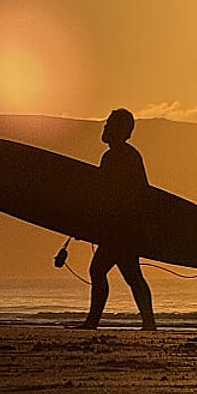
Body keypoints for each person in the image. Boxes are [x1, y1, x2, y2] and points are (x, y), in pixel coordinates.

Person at [75, 108, 156, 330]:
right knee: (131, 275)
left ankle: (93, 322)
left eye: (108, 125)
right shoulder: (128, 155)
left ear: (119, 130)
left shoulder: (116, 156)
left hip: (120, 228)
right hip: (125, 227)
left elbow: (110, 194)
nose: (104, 128)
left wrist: (89, 224)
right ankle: (148, 322)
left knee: (100, 270)